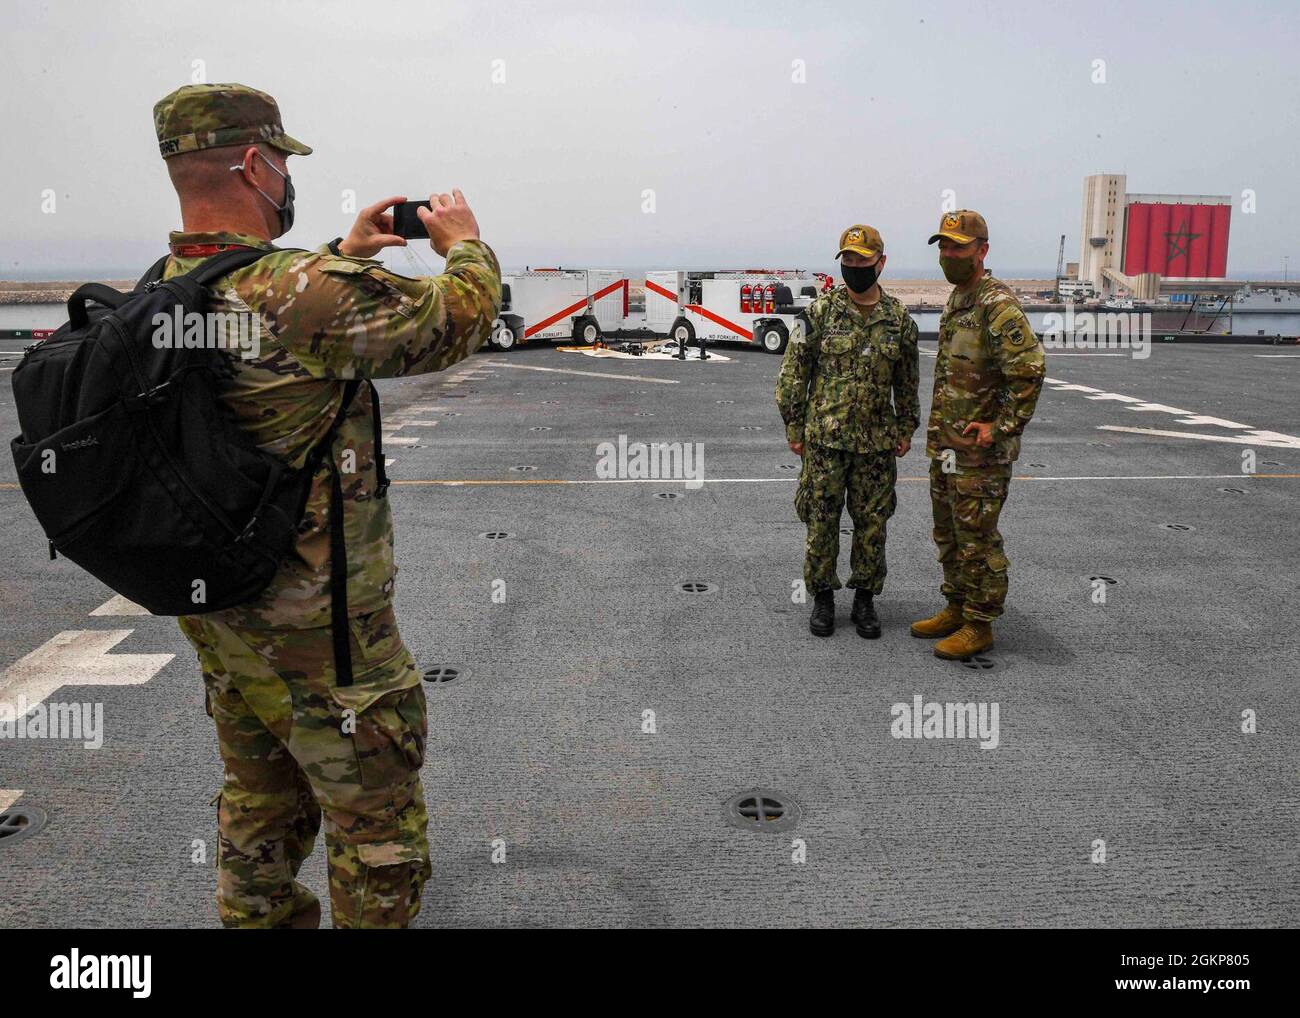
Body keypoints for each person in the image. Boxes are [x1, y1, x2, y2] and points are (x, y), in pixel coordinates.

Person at [153, 82, 501, 927]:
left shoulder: (169, 285)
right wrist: (467, 245)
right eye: (280, 161)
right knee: (377, 834)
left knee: (259, 804)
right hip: (326, 642)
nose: (285, 176)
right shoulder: (296, 289)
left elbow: (276, 308)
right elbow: (457, 322)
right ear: (252, 163)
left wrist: (346, 252)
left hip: (227, 621)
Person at [911, 210, 1044, 659]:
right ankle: (956, 606)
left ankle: (980, 624)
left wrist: (1000, 427)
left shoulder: (996, 303)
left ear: (982, 251)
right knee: (948, 534)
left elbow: (1029, 372)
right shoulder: (958, 299)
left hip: (980, 455)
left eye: (958, 248)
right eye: (944, 247)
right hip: (948, 448)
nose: (949, 255)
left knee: (977, 539)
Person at [776, 225, 919, 638]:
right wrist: (794, 425)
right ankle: (822, 597)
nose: (855, 267)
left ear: (881, 262)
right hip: (824, 442)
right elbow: (792, 375)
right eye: (848, 260)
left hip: (876, 445)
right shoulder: (818, 315)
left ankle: (864, 599)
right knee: (821, 521)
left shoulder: (898, 321)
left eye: (862, 259)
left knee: (872, 524)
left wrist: (906, 425)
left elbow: (907, 381)